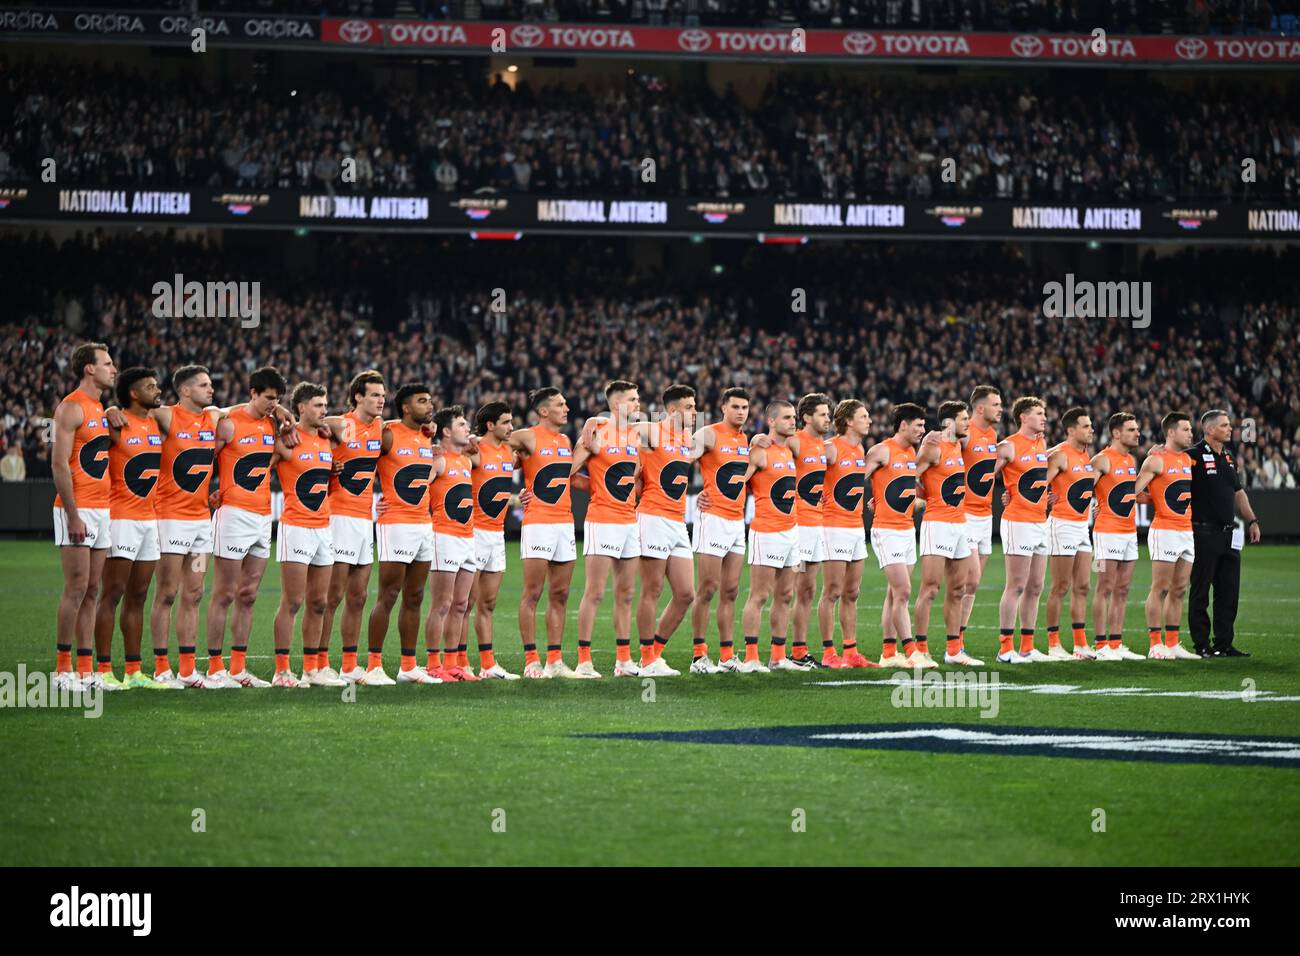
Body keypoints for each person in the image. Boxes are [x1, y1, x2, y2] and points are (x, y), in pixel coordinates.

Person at [207, 366, 290, 688]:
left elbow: (272, 458)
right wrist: (208, 494)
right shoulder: (228, 423)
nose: (273, 403)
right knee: (224, 593)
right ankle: (215, 668)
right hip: (233, 516)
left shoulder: (272, 424)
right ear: (253, 393)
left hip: (261, 515)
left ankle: (238, 667)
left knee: (249, 594)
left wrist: (280, 412)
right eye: (268, 397)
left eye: (277, 399)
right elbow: (201, 458)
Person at [92, 367, 172, 690]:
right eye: (150, 386)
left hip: (148, 520)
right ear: (134, 394)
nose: (158, 389)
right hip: (121, 518)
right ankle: (102, 670)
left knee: (138, 595)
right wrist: (108, 409)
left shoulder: (155, 422)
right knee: (112, 594)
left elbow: (209, 411)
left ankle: (135, 671)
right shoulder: (115, 424)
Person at [51, 342, 119, 690]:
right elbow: (59, 464)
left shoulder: (98, 407)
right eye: (107, 363)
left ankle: (85, 669)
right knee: (76, 588)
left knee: (93, 589)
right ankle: (62, 670)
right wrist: (74, 515)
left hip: (102, 508)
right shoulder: (71, 408)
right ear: (89, 369)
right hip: (76, 509)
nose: (113, 369)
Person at [367, 383, 442, 685]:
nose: (429, 405)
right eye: (422, 401)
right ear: (406, 408)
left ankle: (408, 666)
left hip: (424, 523)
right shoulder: (388, 432)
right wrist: (370, 495)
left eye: (430, 399)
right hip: (396, 523)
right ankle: (373, 665)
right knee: (389, 595)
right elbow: (361, 460)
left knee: (415, 596)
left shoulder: (425, 435)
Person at [271, 382, 344, 688]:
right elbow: (262, 469)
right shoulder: (287, 440)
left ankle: (312, 669)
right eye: (317, 405)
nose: (323, 410)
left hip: (323, 527)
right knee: (293, 601)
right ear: (300, 407)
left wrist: (333, 472)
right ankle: (282, 670)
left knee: (319, 602)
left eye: (325, 405)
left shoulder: (326, 439)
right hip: (296, 527)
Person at [510, 387, 585, 679]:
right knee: (532, 593)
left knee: (561, 593)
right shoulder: (527, 436)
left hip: (565, 522)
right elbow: (495, 447)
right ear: (544, 411)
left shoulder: (565, 439)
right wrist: (515, 493)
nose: (566, 408)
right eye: (560, 404)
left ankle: (554, 660)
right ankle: (531, 660)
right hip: (538, 522)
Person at [570, 381, 644, 678]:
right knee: (595, 592)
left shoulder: (638, 435)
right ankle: (584, 661)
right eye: (633, 400)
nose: (639, 404)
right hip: (602, 520)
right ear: (616, 405)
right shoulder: (596, 432)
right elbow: (568, 472)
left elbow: (636, 479)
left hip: (629, 521)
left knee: (626, 594)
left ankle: (623, 661)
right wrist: (596, 488)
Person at [321, 370, 387, 684]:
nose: (381, 400)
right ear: (358, 396)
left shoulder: (381, 426)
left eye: (383, 395)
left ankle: (349, 665)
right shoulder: (339, 424)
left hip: (364, 519)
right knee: (331, 595)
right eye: (374, 394)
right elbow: (304, 427)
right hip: (339, 516)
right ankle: (318, 662)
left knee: (358, 596)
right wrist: (326, 462)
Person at [630, 384, 695, 677]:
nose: (694, 412)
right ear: (672, 410)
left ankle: (655, 653)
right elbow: (621, 426)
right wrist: (596, 423)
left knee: (685, 594)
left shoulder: (687, 438)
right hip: (653, 516)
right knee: (653, 589)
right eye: (689, 407)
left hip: (678, 520)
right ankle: (646, 659)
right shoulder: (654, 431)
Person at [1186, 409, 1260, 657]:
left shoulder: (1228, 457)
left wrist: (1252, 520)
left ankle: (1224, 643)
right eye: (1225, 425)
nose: (1230, 429)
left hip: (1230, 534)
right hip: (1204, 533)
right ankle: (1202, 644)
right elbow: (1169, 470)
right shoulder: (1192, 456)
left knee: (1228, 591)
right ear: (1210, 429)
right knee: (1200, 591)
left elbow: (1238, 493)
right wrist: (1158, 452)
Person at [913, 400, 982, 666]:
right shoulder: (934, 446)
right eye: (965, 419)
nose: (969, 423)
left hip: (959, 524)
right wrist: (918, 500)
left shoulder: (957, 444)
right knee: (930, 589)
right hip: (937, 523)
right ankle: (920, 650)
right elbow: (910, 475)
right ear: (951, 422)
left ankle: (954, 651)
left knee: (958, 589)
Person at [736, 400, 802, 672]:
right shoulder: (760, 452)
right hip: (767, 530)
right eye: (786, 417)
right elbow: (737, 482)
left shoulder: (789, 450)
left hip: (791, 530)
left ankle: (777, 656)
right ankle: (751, 657)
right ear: (771, 421)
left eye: (794, 416)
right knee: (759, 595)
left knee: (786, 594)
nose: (792, 421)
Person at [1134, 411, 1203, 661]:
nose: (1191, 433)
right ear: (1171, 432)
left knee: (1180, 589)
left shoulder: (1187, 459)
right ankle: (1155, 643)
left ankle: (1172, 643)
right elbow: (1134, 490)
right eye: (1186, 429)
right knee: (1160, 588)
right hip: (1164, 530)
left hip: (1186, 530)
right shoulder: (1155, 460)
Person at [864, 402, 927, 667]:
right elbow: (857, 479)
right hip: (886, 531)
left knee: (894, 594)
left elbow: (905, 489)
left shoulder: (911, 452)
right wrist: (870, 498)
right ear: (904, 425)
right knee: (903, 590)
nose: (922, 430)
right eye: (919, 425)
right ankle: (912, 652)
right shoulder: (880, 451)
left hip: (906, 529)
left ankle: (888, 653)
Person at [992, 396, 1052, 664]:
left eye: (1044, 413)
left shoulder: (1041, 443)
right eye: (1039, 413)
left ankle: (1027, 645)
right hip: (1018, 522)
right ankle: (1005, 647)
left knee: (1036, 586)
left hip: (1040, 521)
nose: (1044, 417)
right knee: (1016, 585)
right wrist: (1004, 493)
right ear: (1023, 417)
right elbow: (983, 476)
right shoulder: (1008, 447)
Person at [464, 401, 521, 680]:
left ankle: (487, 665)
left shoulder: (509, 452)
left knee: (488, 603)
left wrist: (518, 498)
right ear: (490, 425)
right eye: (506, 422)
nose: (511, 427)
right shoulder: (474, 450)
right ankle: (459, 662)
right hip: (473, 533)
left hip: (496, 535)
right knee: (466, 602)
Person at [424, 404, 480, 682]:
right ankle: (433, 665)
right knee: (442, 604)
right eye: (461, 425)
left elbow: (486, 445)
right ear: (446, 431)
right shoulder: (440, 460)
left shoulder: (466, 461)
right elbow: (419, 488)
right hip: (443, 536)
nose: (467, 429)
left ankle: (453, 663)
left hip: (467, 537)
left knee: (461, 604)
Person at [817, 399, 874, 668]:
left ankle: (850, 651)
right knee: (832, 592)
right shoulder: (830, 448)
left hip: (855, 527)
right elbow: (803, 471)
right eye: (864, 416)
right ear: (849, 421)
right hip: (834, 527)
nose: (869, 420)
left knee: (852, 592)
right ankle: (829, 653)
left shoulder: (860, 449)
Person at [1090, 412, 1147, 661]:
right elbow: (1082, 487)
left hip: (1128, 532)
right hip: (1106, 532)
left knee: (1122, 589)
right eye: (1131, 429)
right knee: (1104, 588)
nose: (1137, 433)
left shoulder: (1131, 460)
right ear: (1116, 433)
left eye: (1136, 429)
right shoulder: (1102, 460)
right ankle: (1100, 644)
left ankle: (1115, 643)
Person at [1042, 407, 1096, 661]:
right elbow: (1037, 483)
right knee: (1061, 586)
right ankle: (1053, 644)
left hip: (1083, 526)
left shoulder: (1086, 455)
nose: (1091, 430)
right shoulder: (1060, 455)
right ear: (1071, 430)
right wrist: (1046, 497)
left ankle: (1080, 644)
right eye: (1086, 426)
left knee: (1083, 586)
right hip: (1062, 524)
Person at [790, 393, 832, 669]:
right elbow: (764, 448)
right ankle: (787, 651)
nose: (827, 418)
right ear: (807, 417)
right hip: (797, 525)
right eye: (822, 414)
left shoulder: (824, 446)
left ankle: (798, 650)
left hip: (817, 524)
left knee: (807, 591)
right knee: (790, 591)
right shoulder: (795, 441)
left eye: (828, 414)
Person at [959, 385, 1002, 652]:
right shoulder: (964, 433)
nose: (1001, 409)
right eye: (996, 405)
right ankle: (954, 642)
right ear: (980, 408)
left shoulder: (993, 435)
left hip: (985, 515)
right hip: (964, 515)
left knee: (972, 585)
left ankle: (958, 640)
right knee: (970, 580)